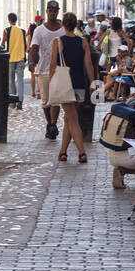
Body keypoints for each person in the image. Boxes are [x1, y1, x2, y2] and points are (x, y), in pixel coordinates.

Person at [49, 12, 94, 162]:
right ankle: (63, 151)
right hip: (79, 83)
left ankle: (82, 152)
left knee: (72, 118)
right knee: (69, 117)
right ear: (76, 25)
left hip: (65, 83)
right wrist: (92, 83)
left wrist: (51, 83)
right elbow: (88, 65)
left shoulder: (58, 41)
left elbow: (52, 65)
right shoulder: (83, 42)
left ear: (63, 25)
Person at [27, 1, 65, 140]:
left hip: (59, 69)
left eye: (55, 10)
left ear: (58, 12)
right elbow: (34, 48)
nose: (53, 13)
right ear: (47, 11)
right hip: (43, 69)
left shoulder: (63, 29)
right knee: (45, 101)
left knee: (56, 100)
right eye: (50, 10)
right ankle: (49, 123)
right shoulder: (39, 30)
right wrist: (31, 61)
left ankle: (54, 124)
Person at [2, 12, 28, 111]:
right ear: (16, 20)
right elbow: (25, 44)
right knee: (20, 80)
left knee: (11, 79)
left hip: (10, 58)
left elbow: (3, 44)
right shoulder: (22, 31)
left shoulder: (6, 30)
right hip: (21, 57)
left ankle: (13, 101)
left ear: (9, 20)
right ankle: (20, 101)